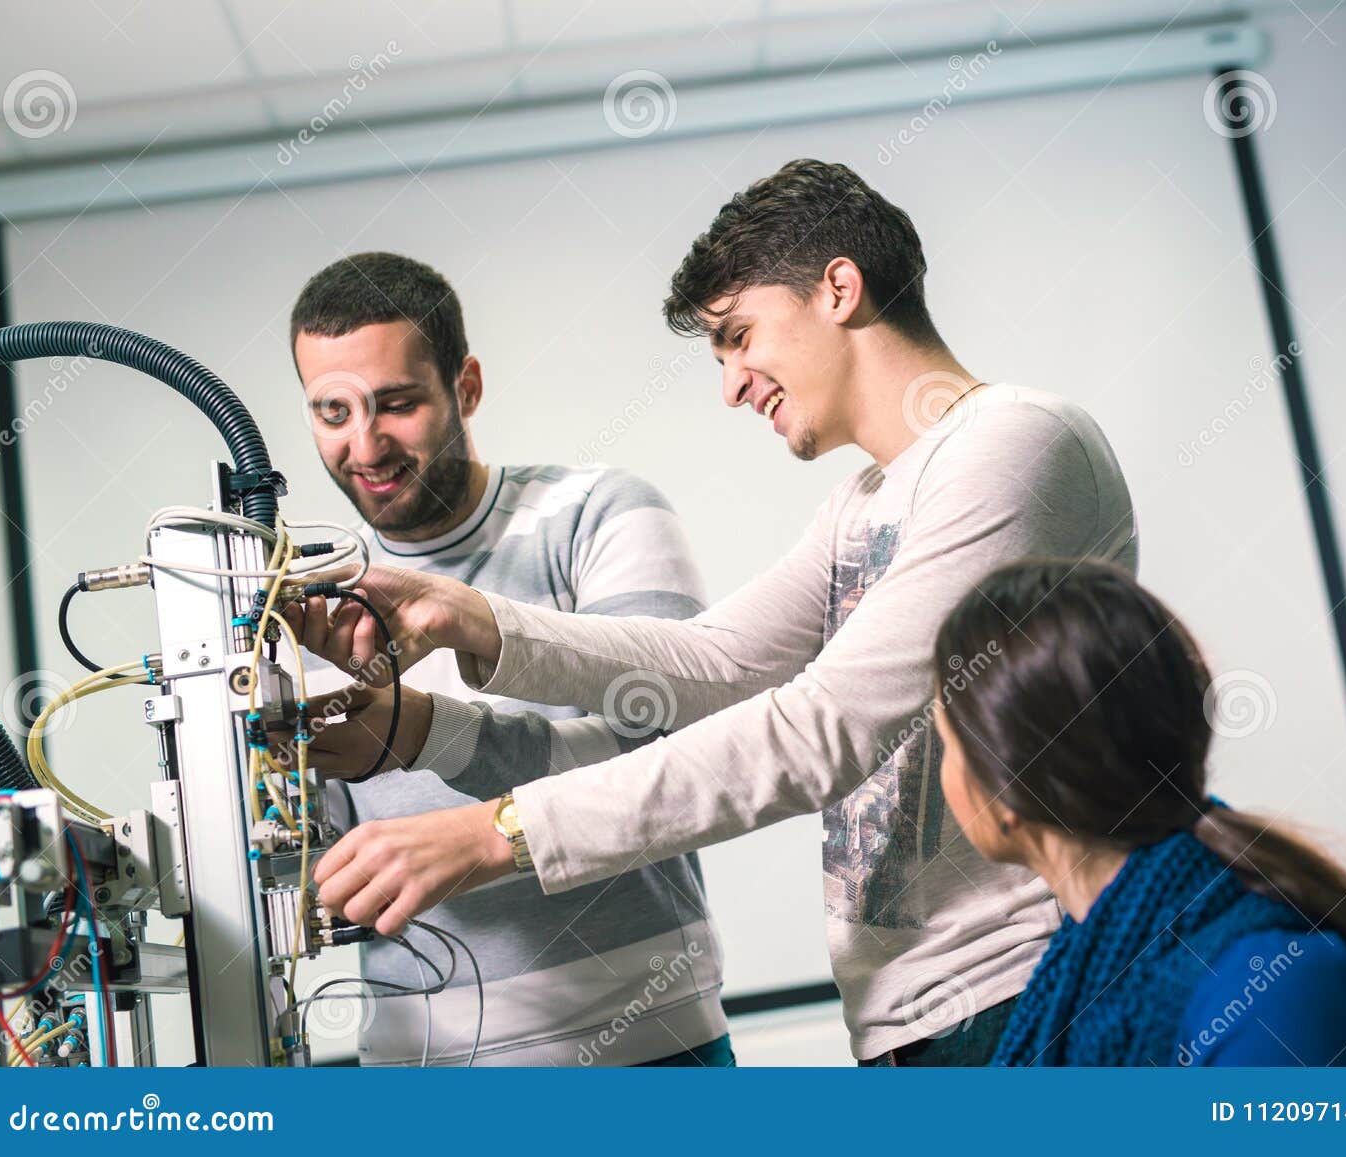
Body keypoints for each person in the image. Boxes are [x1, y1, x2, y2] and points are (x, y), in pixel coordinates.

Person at [295, 160, 1139, 1065]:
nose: (733, 385)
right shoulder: (863, 502)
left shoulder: (1013, 441)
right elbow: (717, 661)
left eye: (740, 337)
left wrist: (500, 830)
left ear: (839, 290)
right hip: (917, 1015)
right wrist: (472, 619)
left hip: (1035, 979)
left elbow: (820, 728)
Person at [286, 251, 732, 1066]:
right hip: (421, 1069)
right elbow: (311, 871)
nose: (365, 443)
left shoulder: (596, 515)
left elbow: (672, 758)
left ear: (466, 387)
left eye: (397, 404)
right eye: (332, 411)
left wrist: (426, 730)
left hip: (645, 1047)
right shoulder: (300, 609)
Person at [929, 557, 1346, 1067]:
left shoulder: (1271, 993)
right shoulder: (1072, 981)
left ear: (1009, 792)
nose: (943, 772)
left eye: (947, 743)